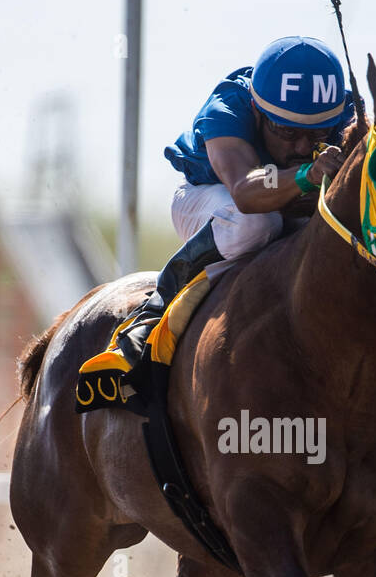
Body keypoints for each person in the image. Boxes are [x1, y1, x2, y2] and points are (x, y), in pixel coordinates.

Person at [76, 35, 355, 414]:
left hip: (281, 204)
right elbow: (244, 191)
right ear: (257, 110)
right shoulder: (227, 108)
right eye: (288, 133)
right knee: (255, 225)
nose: (302, 146)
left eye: (318, 134)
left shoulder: (348, 109)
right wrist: (307, 173)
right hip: (209, 199)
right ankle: (147, 323)